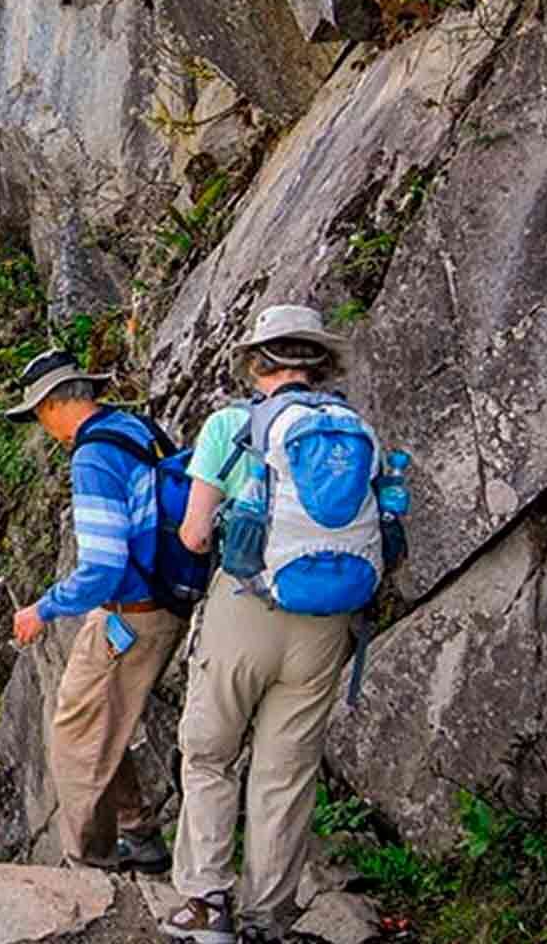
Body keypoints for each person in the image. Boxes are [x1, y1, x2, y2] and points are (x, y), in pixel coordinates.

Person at [161, 304, 367, 944]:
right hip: (327, 625)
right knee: (286, 774)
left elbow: (195, 535)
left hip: (245, 613)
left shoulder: (231, 424)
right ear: (320, 363)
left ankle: (206, 902)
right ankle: (266, 919)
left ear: (257, 363)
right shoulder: (352, 428)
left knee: (210, 754)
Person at [6, 348, 188, 873]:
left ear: (53, 405)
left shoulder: (92, 456)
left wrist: (43, 607)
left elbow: (103, 567)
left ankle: (88, 865)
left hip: (129, 613)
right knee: (100, 726)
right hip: (164, 602)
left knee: (73, 739)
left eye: (40, 414)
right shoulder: (134, 428)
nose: (44, 427)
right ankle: (139, 834)